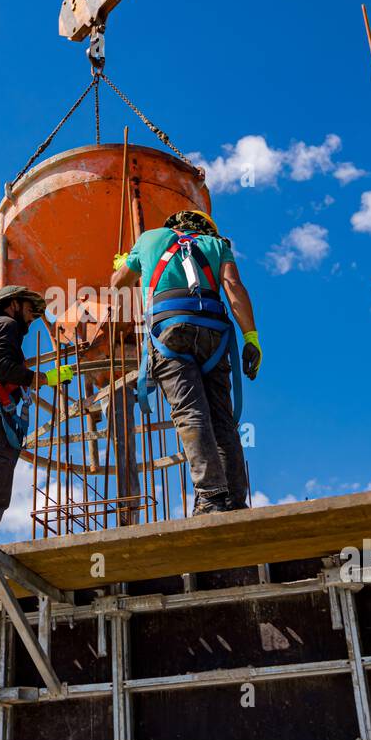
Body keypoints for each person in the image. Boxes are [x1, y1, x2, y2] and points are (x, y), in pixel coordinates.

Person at [110, 209, 260, 514]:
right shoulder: (217, 245)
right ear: (205, 228)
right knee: (223, 419)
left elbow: (117, 283)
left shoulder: (150, 239)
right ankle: (234, 500)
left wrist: (125, 263)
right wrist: (251, 337)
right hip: (213, 332)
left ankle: (210, 496)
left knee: (190, 413)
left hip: (170, 329)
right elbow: (233, 288)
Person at [0, 285, 72, 540]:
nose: (33, 316)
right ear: (13, 304)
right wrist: (43, 378)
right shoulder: (6, 325)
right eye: (30, 308)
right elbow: (2, 368)